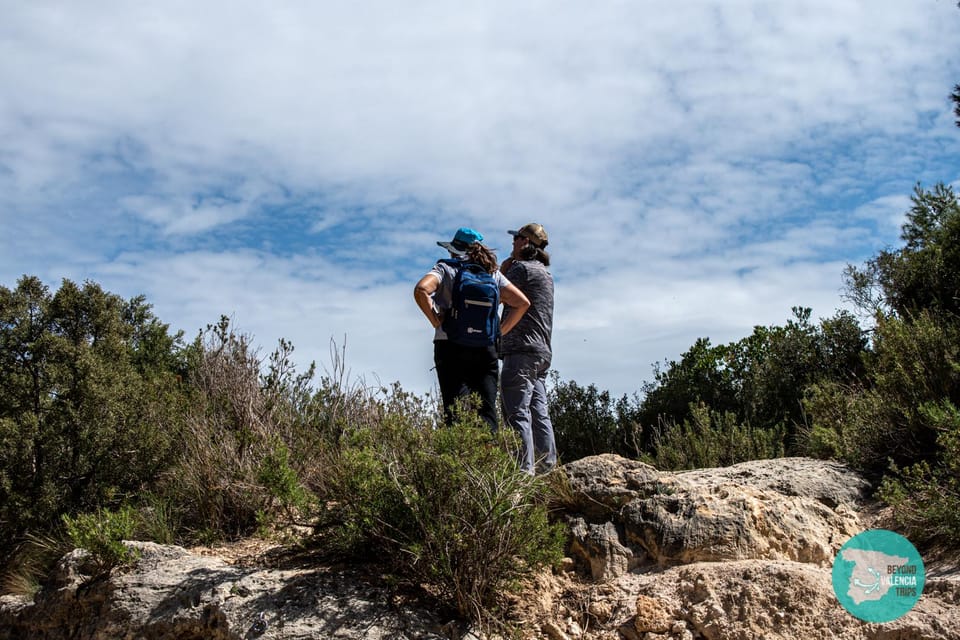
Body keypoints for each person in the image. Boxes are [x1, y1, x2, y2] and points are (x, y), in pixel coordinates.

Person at [414, 227, 530, 431]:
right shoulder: (493, 274)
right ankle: (487, 458)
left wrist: (436, 321)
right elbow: (522, 303)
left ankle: (457, 459)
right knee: (486, 410)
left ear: (454, 250)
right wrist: (499, 331)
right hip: (486, 347)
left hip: (449, 344)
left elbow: (422, 289)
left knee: (455, 408)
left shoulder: (445, 268)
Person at [499, 223, 557, 475]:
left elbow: (496, 293)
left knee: (516, 412)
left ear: (525, 243)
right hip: (541, 351)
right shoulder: (544, 272)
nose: (512, 243)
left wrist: (501, 270)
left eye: (517, 239)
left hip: (521, 350)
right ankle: (547, 468)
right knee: (538, 411)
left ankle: (523, 472)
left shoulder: (521, 270)